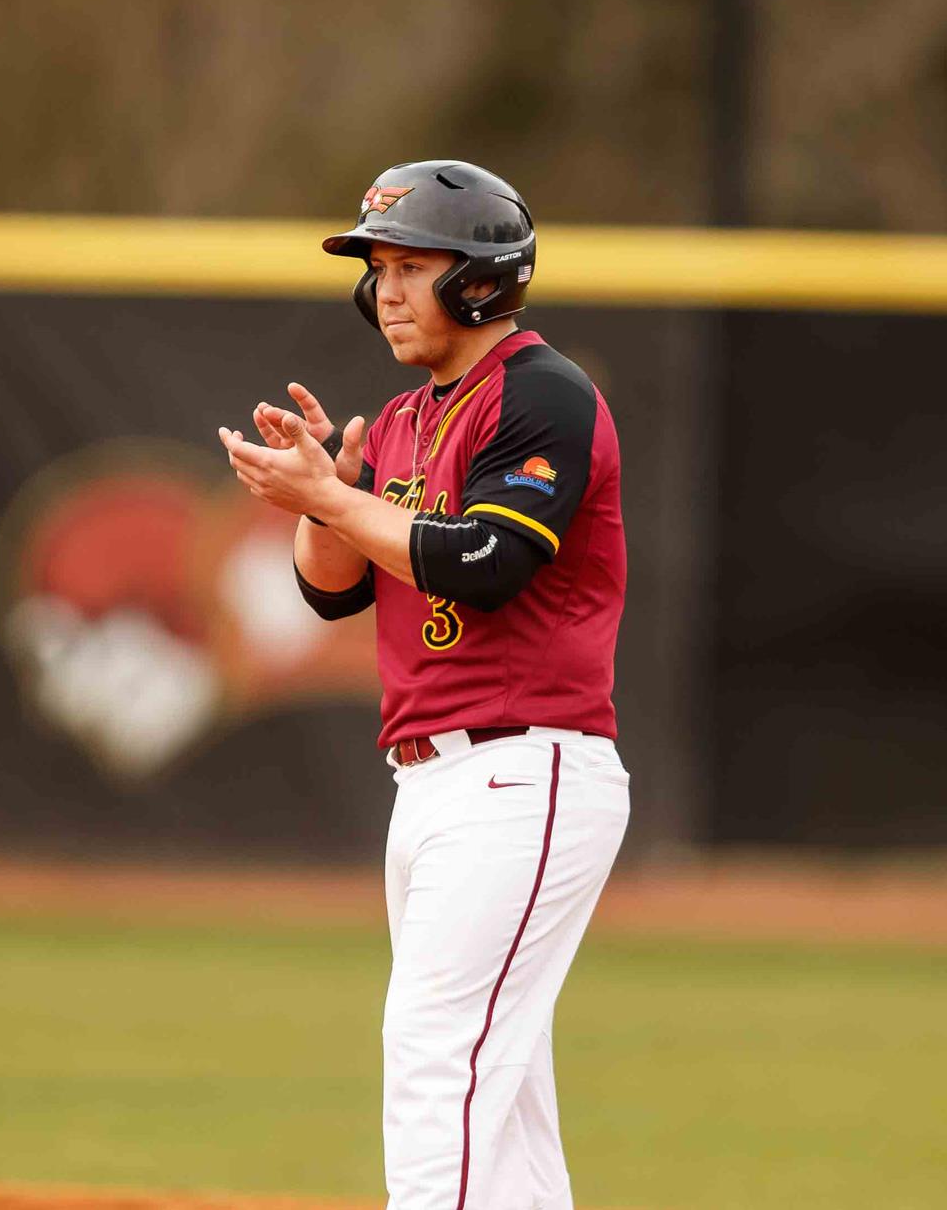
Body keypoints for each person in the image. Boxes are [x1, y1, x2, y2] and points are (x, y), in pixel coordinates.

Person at [217, 159, 629, 1210]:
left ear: (481, 278)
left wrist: (336, 501)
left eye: (410, 266)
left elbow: (487, 561)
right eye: (379, 270)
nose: (385, 290)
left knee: (437, 1055)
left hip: (522, 768)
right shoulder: (403, 419)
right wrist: (324, 495)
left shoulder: (542, 392)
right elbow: (331, 593)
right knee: (501, 1092)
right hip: (436, 783)